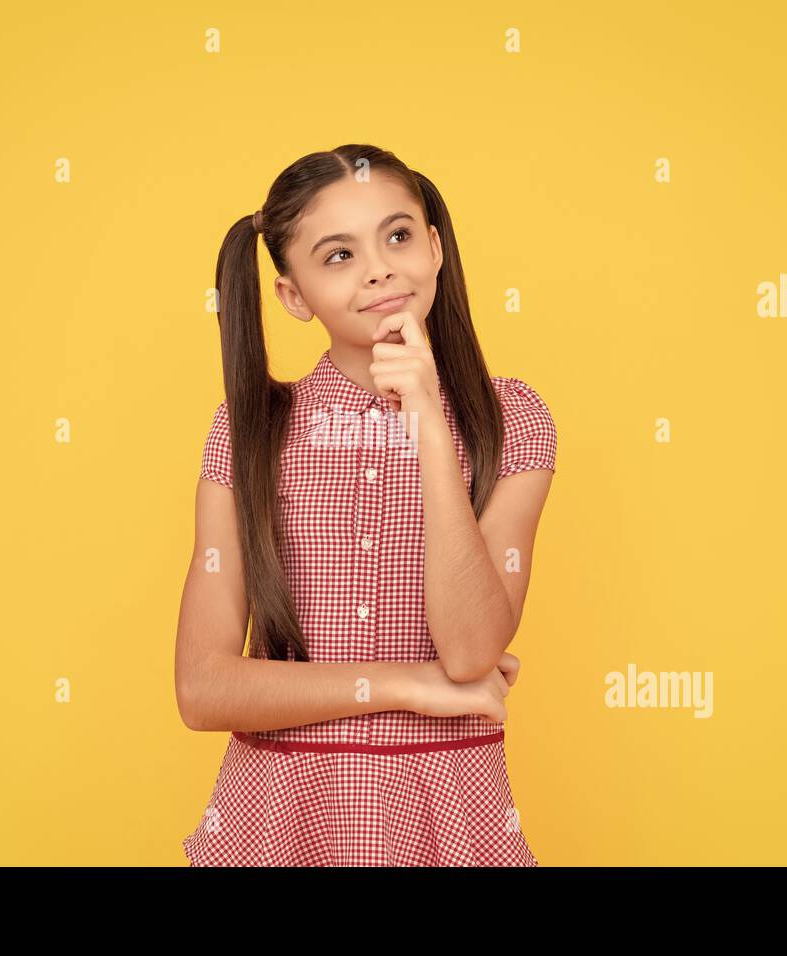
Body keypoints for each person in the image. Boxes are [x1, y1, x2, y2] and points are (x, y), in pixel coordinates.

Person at [175, 144, 557, 866]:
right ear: (294, 296)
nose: (381, 267)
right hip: (279, 822)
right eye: (339, 255)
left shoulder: (513, 421)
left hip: (450, 817)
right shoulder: (250, 430)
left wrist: (428, 421)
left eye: (399, 235)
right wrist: (406, 685)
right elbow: (202, 687)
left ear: (436, 247)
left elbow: (473, 649)